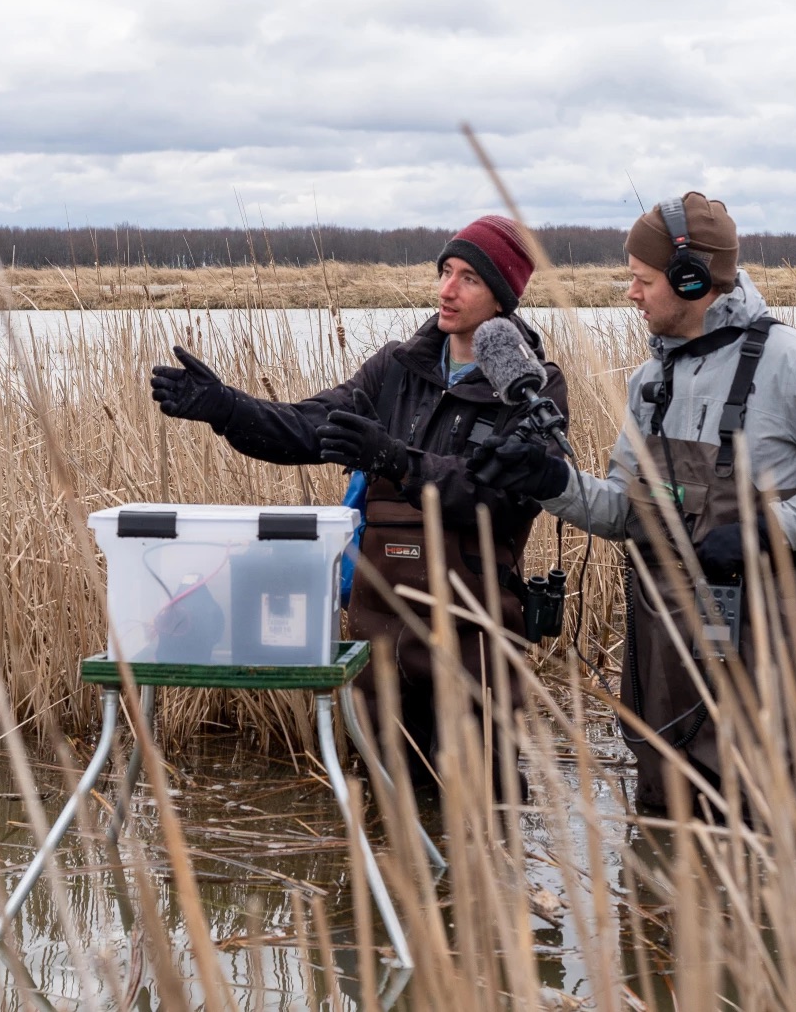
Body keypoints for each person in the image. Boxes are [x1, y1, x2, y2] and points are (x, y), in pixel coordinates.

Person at [470, 193, 796, 812]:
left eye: (641, 279)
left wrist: (767, 530)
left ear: (691, 280)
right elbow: (623, 512)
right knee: (665, 827)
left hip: (762, 649)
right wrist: (549, 481)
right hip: (661, 657)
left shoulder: (794, 365)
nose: (631, 293)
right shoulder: (650, 384)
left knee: (758, 825)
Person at [148, 215, 569, 790]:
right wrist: (227, 408)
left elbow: (502, 496)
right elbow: (305, 427)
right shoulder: (396, 371)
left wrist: (397, 460)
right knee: (385, 803)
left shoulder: (534, 389)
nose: (446, 289)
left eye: (468, 278)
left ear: (503, 296)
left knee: (482, 813)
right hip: (379, 642)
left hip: (474, 643)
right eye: (445, 271)